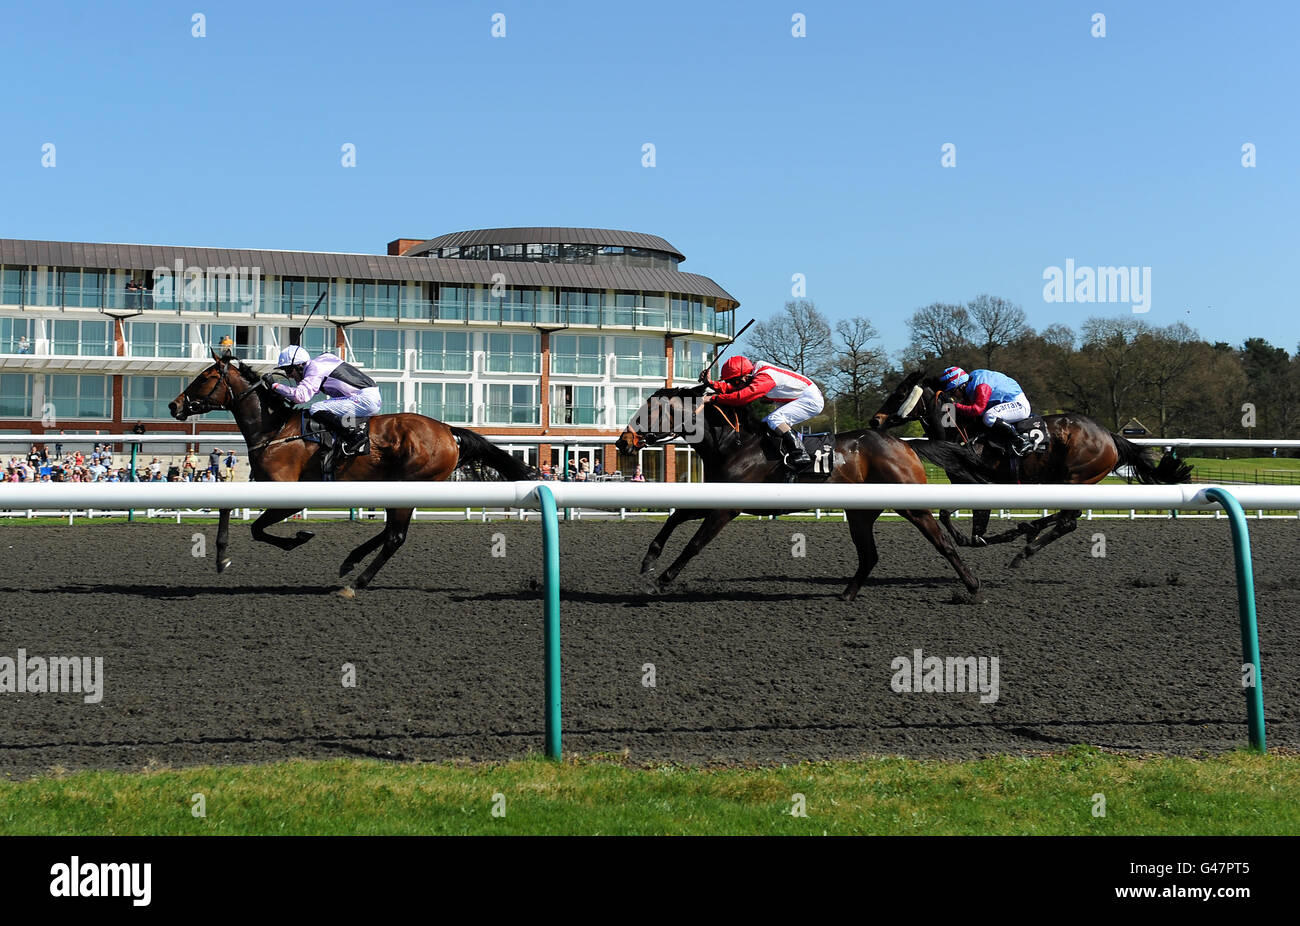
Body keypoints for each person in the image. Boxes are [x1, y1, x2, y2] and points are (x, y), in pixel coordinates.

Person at [702, 356, 825, 471]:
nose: (732, 385)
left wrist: (713, 399)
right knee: (765, 423)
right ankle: (782, 456)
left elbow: (741, 397)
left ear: (744, 377)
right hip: (798, 398)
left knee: (774, 419)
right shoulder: (753, 375)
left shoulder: (764, 377)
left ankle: (800, 453)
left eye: (733, 382)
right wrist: (711, 384)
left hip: (811, 400)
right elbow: (736, 389)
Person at [270, 345, 382, 464]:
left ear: (299, 366)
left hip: (365, 399)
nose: (288, 375)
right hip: (369, 397)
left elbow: (301, 397)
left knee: (316, 407)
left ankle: (354, 435)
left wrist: (275, 386)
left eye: (288, 370)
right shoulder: (323, 360)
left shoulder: (315, 368)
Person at [937, 366, 1034, 456]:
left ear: (961, 386)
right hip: (1006, 403)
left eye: (953, 392)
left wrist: (954, 405)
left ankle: (1020, 441)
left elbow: (976, 410)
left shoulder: (981, 384)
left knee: (989, 417)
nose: (954, 396)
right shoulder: (971, 384)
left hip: (1019, 405)